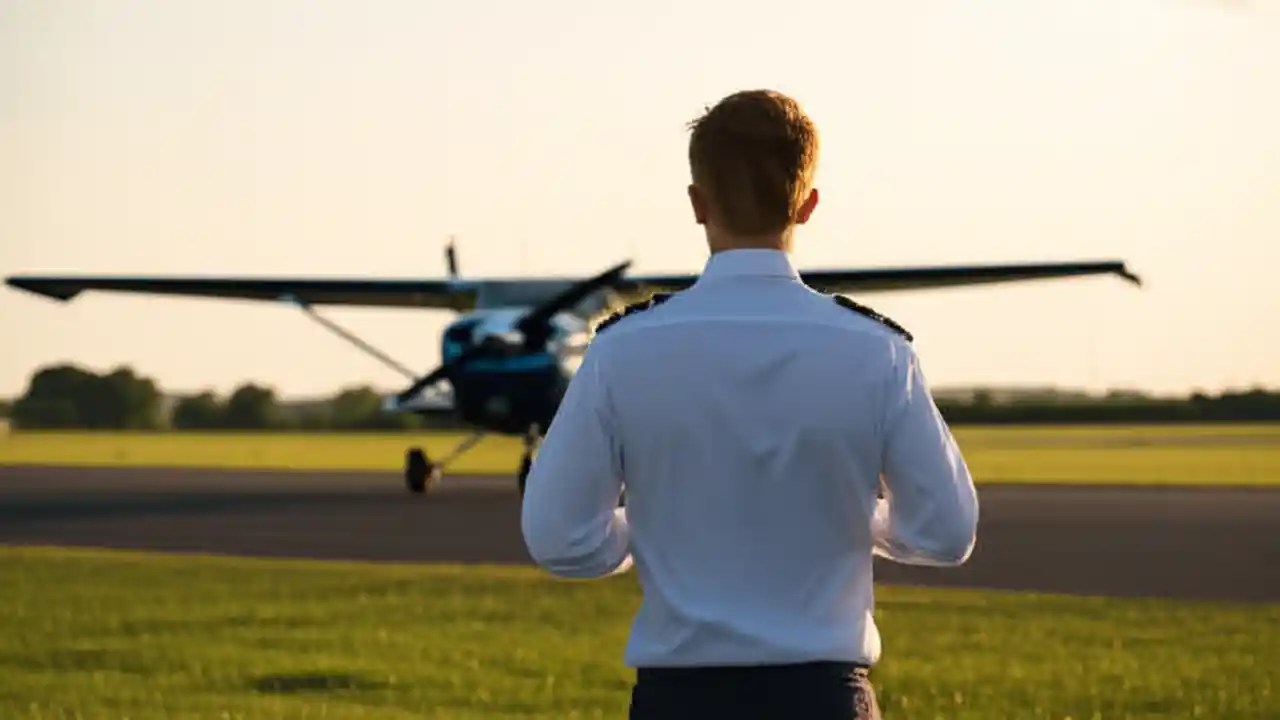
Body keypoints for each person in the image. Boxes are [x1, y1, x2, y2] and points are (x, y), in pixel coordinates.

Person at [521, 89, 979, 720]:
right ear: (809, 204)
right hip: (825, 699)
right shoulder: (878, 352)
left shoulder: (621, 351)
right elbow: (945, 532)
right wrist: (856, 516)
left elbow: (558, 538)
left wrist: (649, 526)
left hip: (678, 702)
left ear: (696, 203)